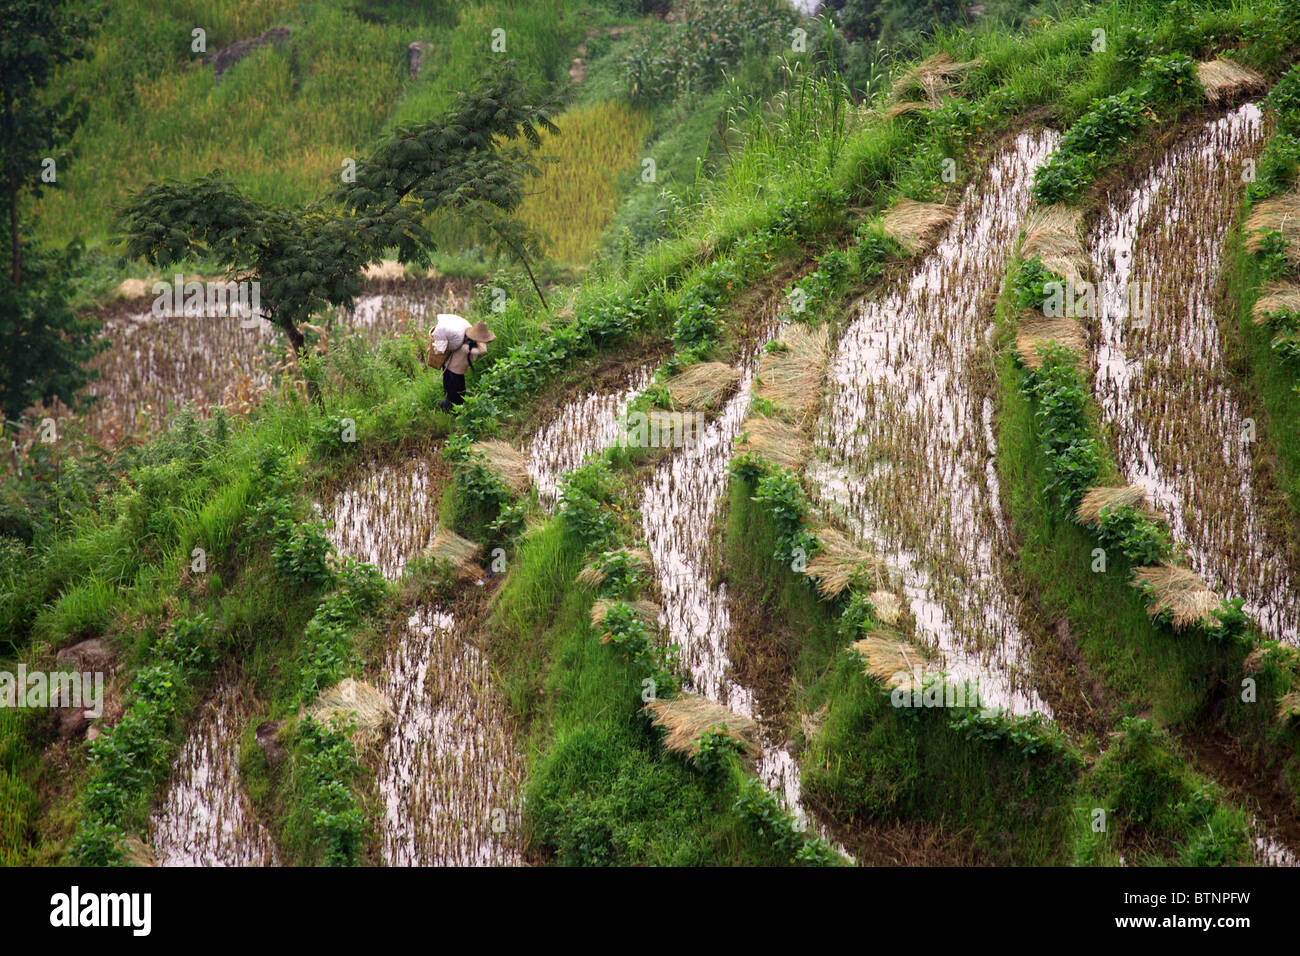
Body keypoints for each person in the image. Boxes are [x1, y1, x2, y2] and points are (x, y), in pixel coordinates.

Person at [438, 320, 495, 411]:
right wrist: (483, 341)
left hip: (451, 370)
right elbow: (483, 351)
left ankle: (447, 409)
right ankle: (446, 410)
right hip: (453, 372)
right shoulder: (466, 347)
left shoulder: (468, 343)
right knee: (458, 395)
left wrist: (480, 341)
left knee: (453, 393)